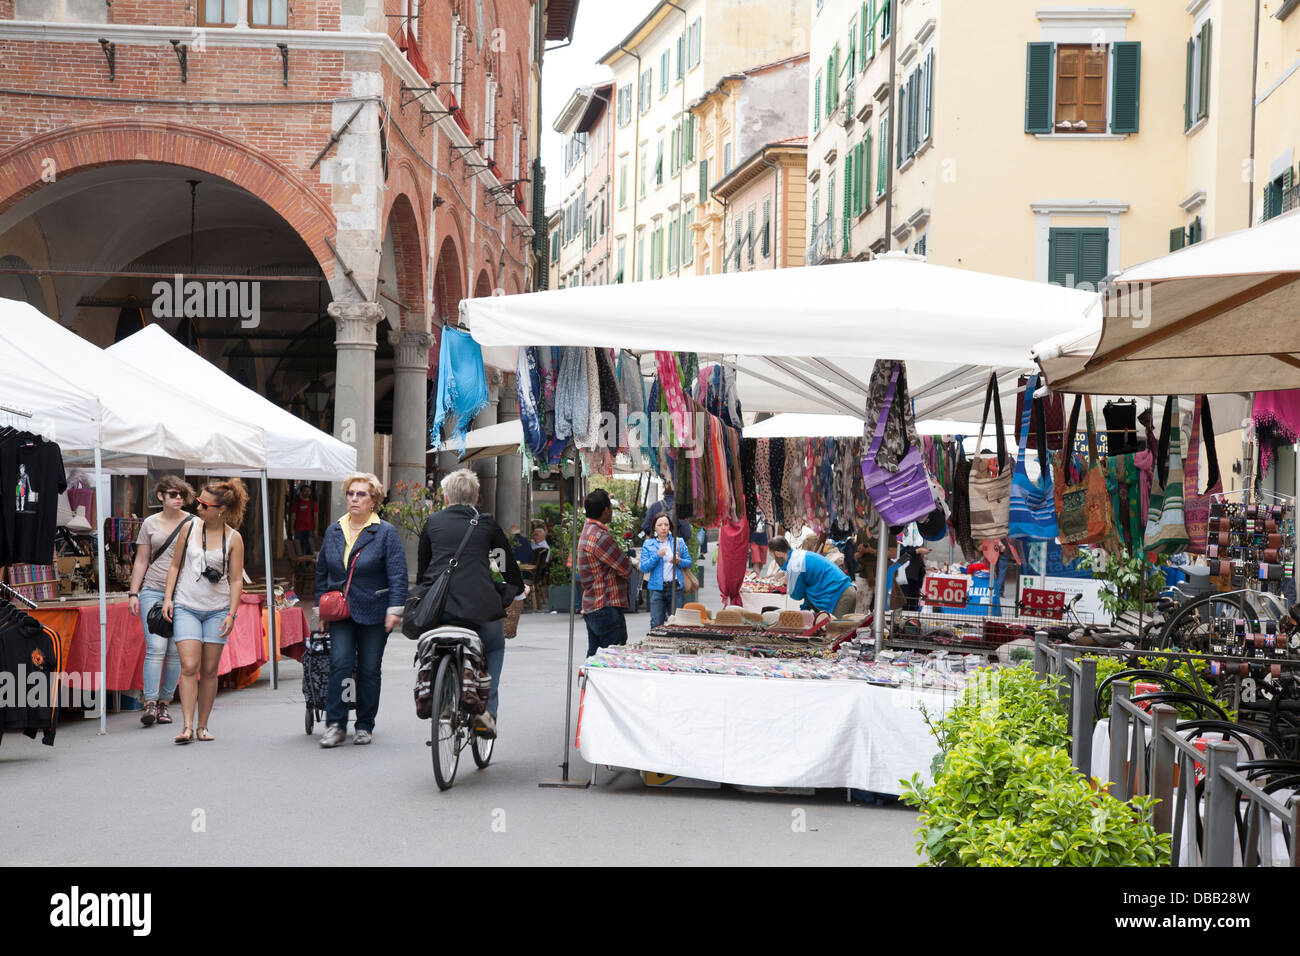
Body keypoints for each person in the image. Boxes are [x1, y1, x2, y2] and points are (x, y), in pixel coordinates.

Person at [416, 469, 524, 738]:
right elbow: (504, 564)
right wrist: (514, 589)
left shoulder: (431, 524)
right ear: (476, 497)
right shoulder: (486, 524)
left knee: (440, 644)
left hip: (440, 609)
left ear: (445, 497)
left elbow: (423, 572)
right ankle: (486, 713)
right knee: (495, 648)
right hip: (480, 608)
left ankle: (444, 697)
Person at [315, 473, 408, 748]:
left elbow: (398, 575)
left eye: (361, 494)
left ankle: (365, 724)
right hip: (341, 612)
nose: (354, 499)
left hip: (375, 610)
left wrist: (395, 610)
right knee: (340, 665)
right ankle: (336, 724)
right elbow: (322, 572)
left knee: (368, 670)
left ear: (374, 501)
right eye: (351, 493)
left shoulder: (385, 533)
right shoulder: (334, 530)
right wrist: (321, 610)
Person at [161, 478, 248, 744]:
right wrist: (168, 598)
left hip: (217, 610)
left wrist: (231, 614)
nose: (197, 507)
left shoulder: (234, 538)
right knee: (189, 665)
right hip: (187, 605)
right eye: (198, 502)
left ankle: (203, 726)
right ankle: (186, 726)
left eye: (203, 504)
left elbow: (235, 580)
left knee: (209, 670)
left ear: (219, 509)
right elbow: (175, 565)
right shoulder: (188, 528)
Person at [128, 475, 195, 728]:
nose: (178, 498)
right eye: (173, 494)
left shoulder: (193, 523)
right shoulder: (150, 523)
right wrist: (134, 593)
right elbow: (141, 560)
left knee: (176, 650)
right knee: (156, 647)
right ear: (160, 497)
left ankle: (166, 703)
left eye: (181, 495)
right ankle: (150, 703)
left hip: (184, 593)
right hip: (153, 591)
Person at [576, 488, 633, 657]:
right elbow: (626, 569)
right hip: (605, 605)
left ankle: (587, 684)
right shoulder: (600, 536)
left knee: (595, 657)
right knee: (613, 658)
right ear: (607, 509)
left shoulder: (587, 532)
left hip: (593, 605)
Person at [767, 535, 858, 617]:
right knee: (843, 632)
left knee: (835, 632)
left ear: (778, 553)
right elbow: (808, 590)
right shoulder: (798, 556)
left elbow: (797, 595)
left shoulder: (794, 564)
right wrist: (804, 611)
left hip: (840, 595)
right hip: (846, 591)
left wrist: (788, 584)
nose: (775, 560)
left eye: (773, 557)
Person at [640, 512, 692, 627]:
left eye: (666, 524)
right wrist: (657, 556)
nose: (663, 528)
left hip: (675, 588)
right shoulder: (648, 544)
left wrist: (679, 561)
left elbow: (689, 563)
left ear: (670, 526)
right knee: (656, 624)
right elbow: (644, 567)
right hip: (657, 589)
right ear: (654, 527)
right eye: (660, 525)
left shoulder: (679, 542)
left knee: (677, 624)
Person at [290, 484, 318, 555]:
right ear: (301, 492)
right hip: (298, 529)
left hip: (309, 529)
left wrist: (315, 529)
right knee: (299, 547)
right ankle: (301, 563)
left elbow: (316, 517)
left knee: (310, 547)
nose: (307, 492)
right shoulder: (297, 503)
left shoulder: (313, 504)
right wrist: (292, 529)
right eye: (305, 491)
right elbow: (293, 517)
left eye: (308, 491)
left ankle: (308, 563)